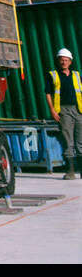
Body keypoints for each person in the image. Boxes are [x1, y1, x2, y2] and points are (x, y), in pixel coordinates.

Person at [47, 47, 82, 179]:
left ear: (70, 61)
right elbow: (48, 93)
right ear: (58, 61)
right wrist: (52, 110)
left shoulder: (77, 75)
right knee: (68, 141)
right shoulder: (53, 75)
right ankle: (71, 171)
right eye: (61, 60)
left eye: (66, 60)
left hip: (78, 110)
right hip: (64, 110)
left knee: (81, 142)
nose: (64, 62)